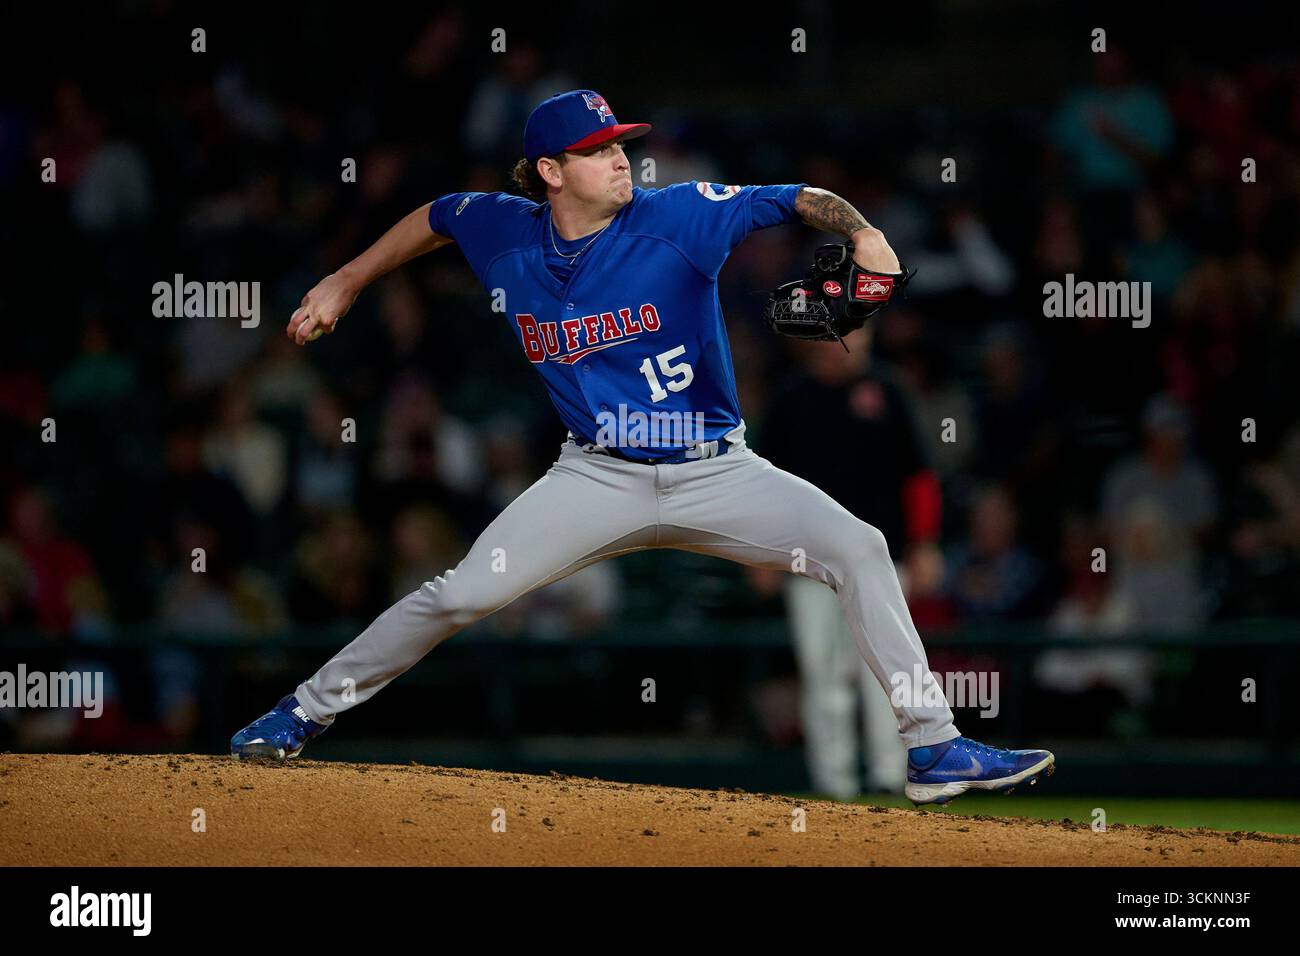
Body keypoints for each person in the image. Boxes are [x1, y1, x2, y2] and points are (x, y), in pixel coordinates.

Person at [230, 89, 1055, 806]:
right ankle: (303, 710)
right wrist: (347, 279)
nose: (621, 159)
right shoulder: (504, 231)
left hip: (717, 470)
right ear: (550, 171)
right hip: (595, 476)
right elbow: (437, 217)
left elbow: (797, 198)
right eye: (596, 151)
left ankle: (932, 745)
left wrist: (866, 232)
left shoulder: (677, 213)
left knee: (861, 547)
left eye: (621, 144)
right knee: (457, 596)